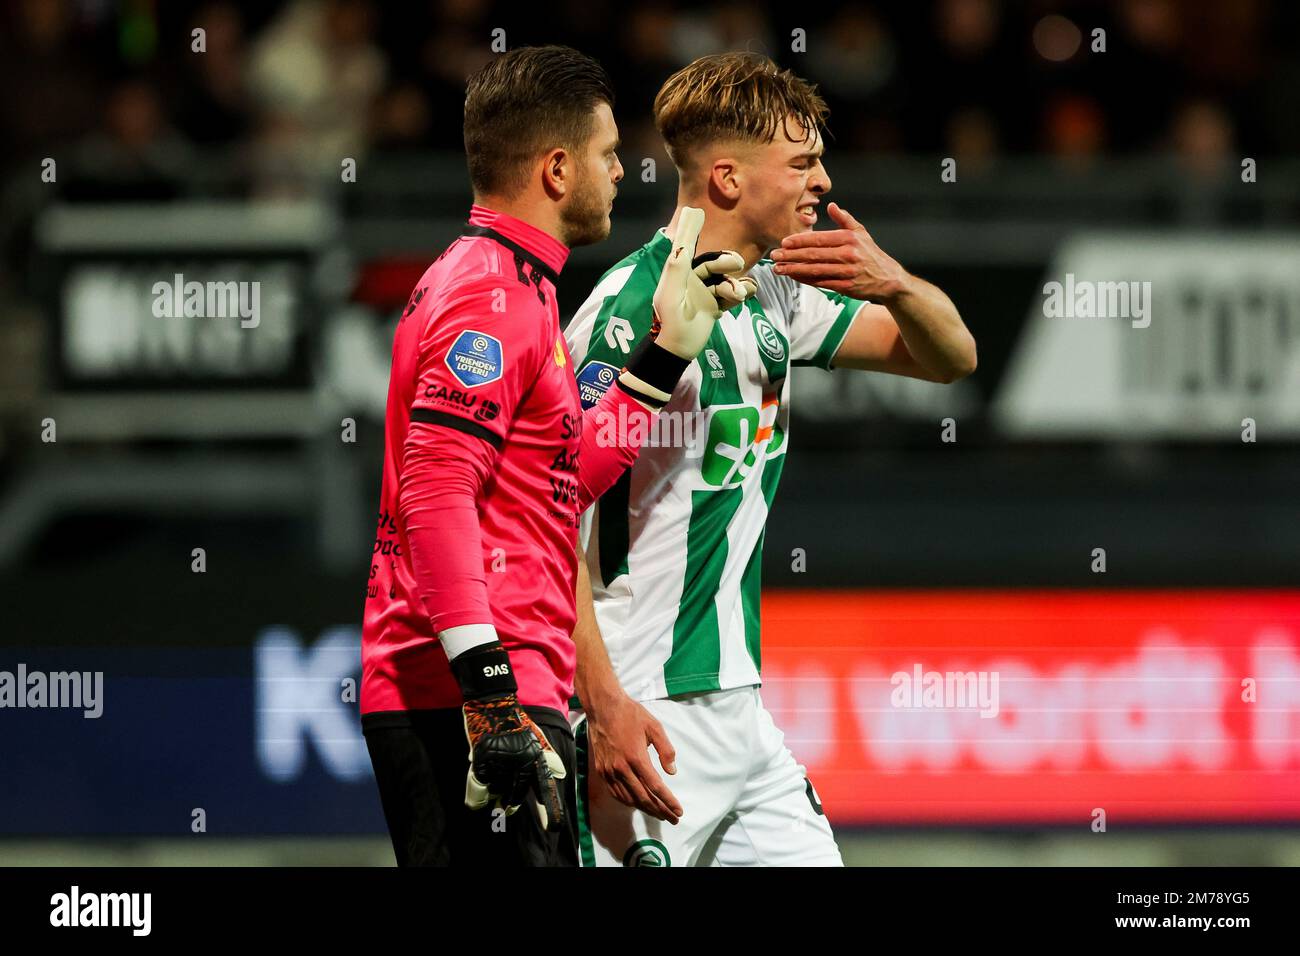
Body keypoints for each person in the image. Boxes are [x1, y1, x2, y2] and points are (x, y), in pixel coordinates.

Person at [566, 52, 977, 867]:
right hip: (646, 709)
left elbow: (948, 357)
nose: (823, 180)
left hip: (739, 712)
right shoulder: (624, 313)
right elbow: (549, 519)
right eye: (803, 162)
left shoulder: (774, 295)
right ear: (726, 179)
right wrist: (603, 704)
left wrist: (893, 282)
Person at [359, 45, 751, 867]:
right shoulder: (491, 295)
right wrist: (490, 695)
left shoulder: (517, 287)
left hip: (490, 686)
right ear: (558, 168)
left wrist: (664, 357)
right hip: (466, 696)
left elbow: (560, 485)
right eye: (609, 155)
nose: (621, 172)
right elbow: (436, 494)